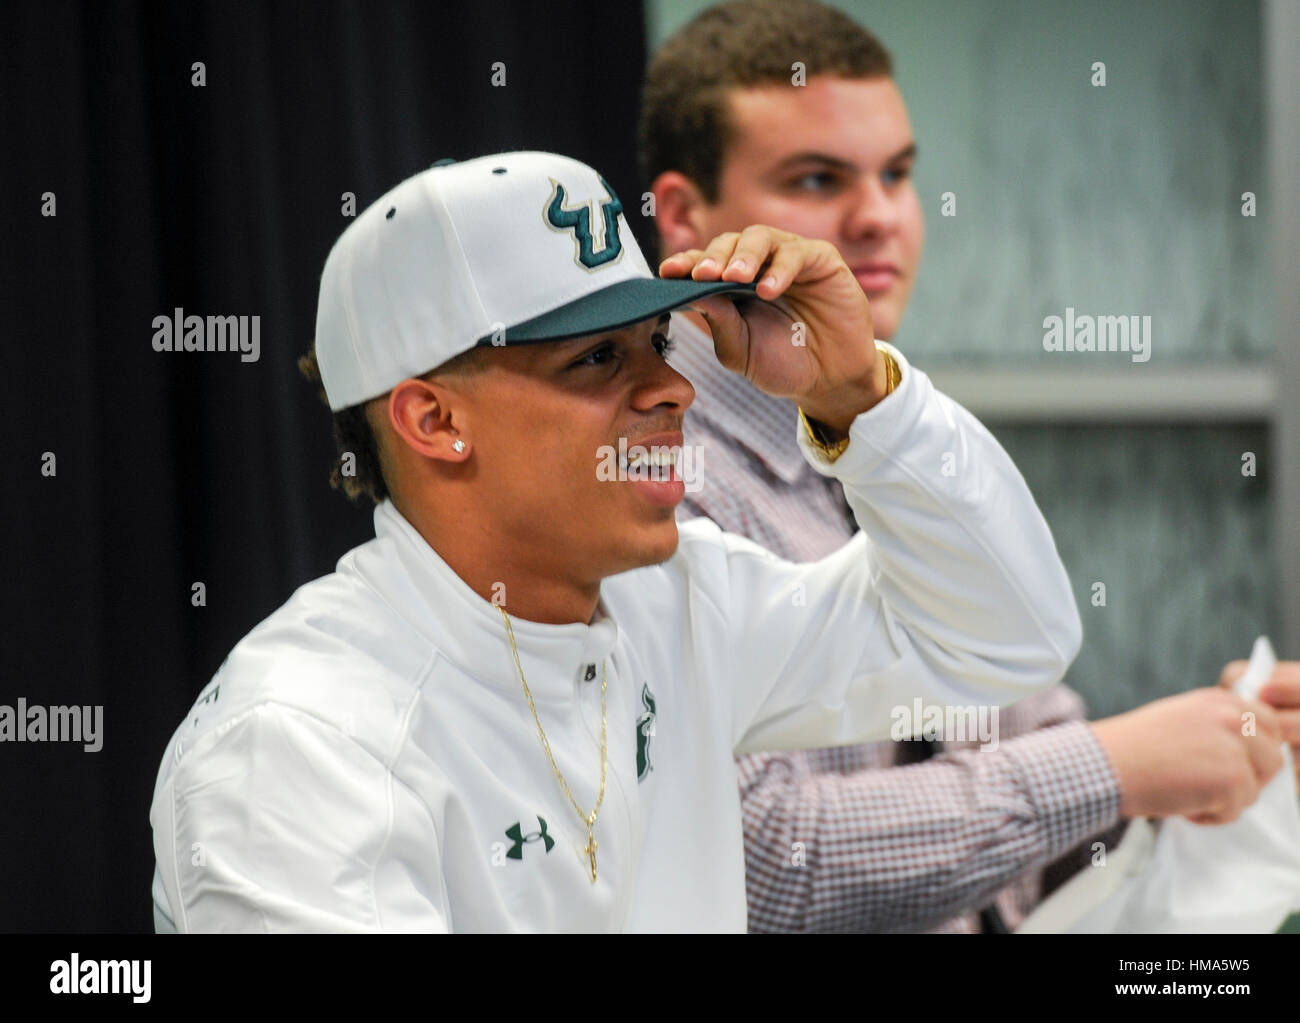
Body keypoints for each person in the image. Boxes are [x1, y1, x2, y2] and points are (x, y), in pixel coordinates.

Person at [147, 149, 1104, 932]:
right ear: (433, 420)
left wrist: (857, 392)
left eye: (658, 340)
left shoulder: (674, 598)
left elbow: (1005, 640)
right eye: (596, 356)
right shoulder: (298, 742)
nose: (674, 388)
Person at [641, 0, 1295, 932]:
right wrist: (1121, 764)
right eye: (818, 178)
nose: (878, 218)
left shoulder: (892, 427)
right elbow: (762, 862)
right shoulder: (648, 476)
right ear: (682, 214)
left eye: (898, 174)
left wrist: (1230, 744)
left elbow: (1031, 745)